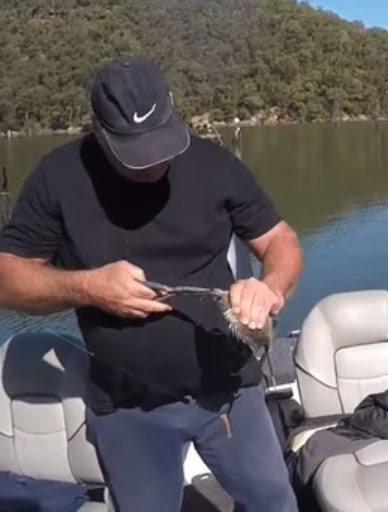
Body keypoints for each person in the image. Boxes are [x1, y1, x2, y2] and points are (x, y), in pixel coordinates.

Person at [0, 57, 303, 511]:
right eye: (134, 151)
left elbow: (281, 240)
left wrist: (269, 287)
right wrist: (88, 287)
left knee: (273, 500)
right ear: (98, 129)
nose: (153, 163)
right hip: (128, 408)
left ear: (172, 107)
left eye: (161, 142)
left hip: (229, 392)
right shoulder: (58, 177)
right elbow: (7, 279)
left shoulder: (214, 164)